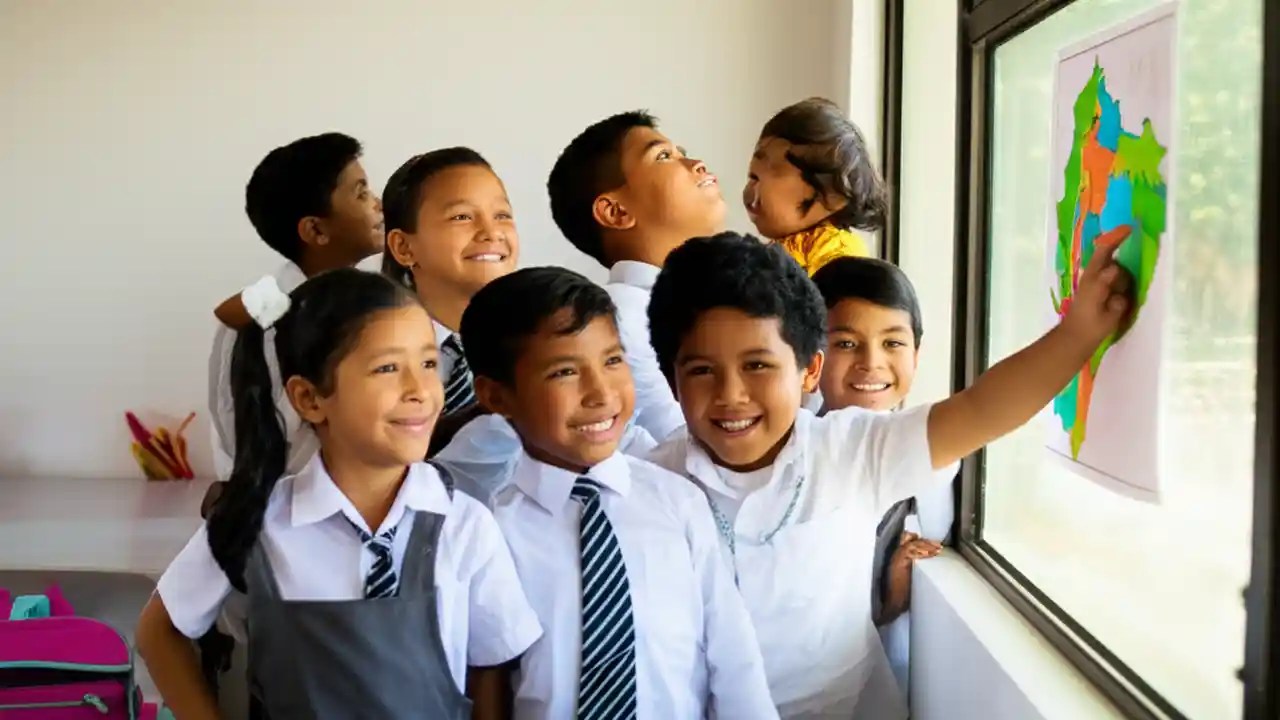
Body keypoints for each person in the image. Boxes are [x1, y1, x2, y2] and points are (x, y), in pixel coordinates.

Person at [644, 231, 1131, 717]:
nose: (732, 394)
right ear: (673, 380)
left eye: (757, 365)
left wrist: (1078, 334)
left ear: (810, 370)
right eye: (703, 370)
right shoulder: (650, 486)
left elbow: (982, 409)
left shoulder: (852, 449)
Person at [138, 269, 541, 719]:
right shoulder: (259, 522)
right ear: (309, 398)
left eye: (428, 363)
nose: (419, 391)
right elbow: (159, 631)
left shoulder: (464, 525)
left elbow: (492, 667)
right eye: (387, 368)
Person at [458, 266, 777, 719]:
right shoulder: (489, 531)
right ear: (496, 396)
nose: (600, 392)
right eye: (565, 371)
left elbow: (734, 660)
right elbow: (490, 686)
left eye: (612, 360)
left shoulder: (678, 502)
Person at [208, 132, 384, 481]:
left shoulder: (359, 298)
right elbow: (252, 435)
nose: (378, 203)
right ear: (316, 230)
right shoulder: (272, 304)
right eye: (361, 192)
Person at [812, 255, 952, 692]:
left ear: (917, 352)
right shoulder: (795, 458)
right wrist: (889, 600)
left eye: (893, 343)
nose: (871, 364)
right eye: (846, 343)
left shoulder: (939, 456)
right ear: (807, 356)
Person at [547, 110, 725, 442]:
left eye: (682, 152)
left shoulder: (717, 298)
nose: (696, 164)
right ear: (616, 211)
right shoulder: (622, 312)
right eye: (664, 156)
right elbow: (685, 442)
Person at [743, 97, 883, 275]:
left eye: (776, 169)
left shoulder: (836, 251)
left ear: (832, 196)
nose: (754, 179)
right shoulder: (780, 248)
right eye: (752, 174)